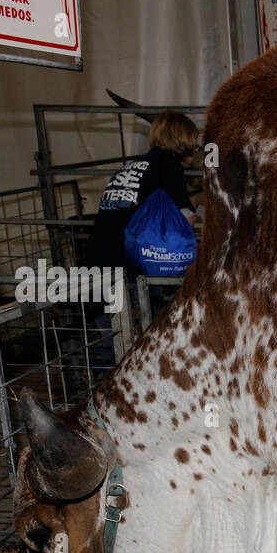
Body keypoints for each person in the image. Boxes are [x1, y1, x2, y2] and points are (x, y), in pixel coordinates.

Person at [83, 110, 199, 373]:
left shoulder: (131, 166)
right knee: (144, 341)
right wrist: (201, 201)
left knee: (110, 341)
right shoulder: (167, 166)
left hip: (97, 262)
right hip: (132, 268)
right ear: (184, 142)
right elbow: (183, 222)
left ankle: (96, 397)